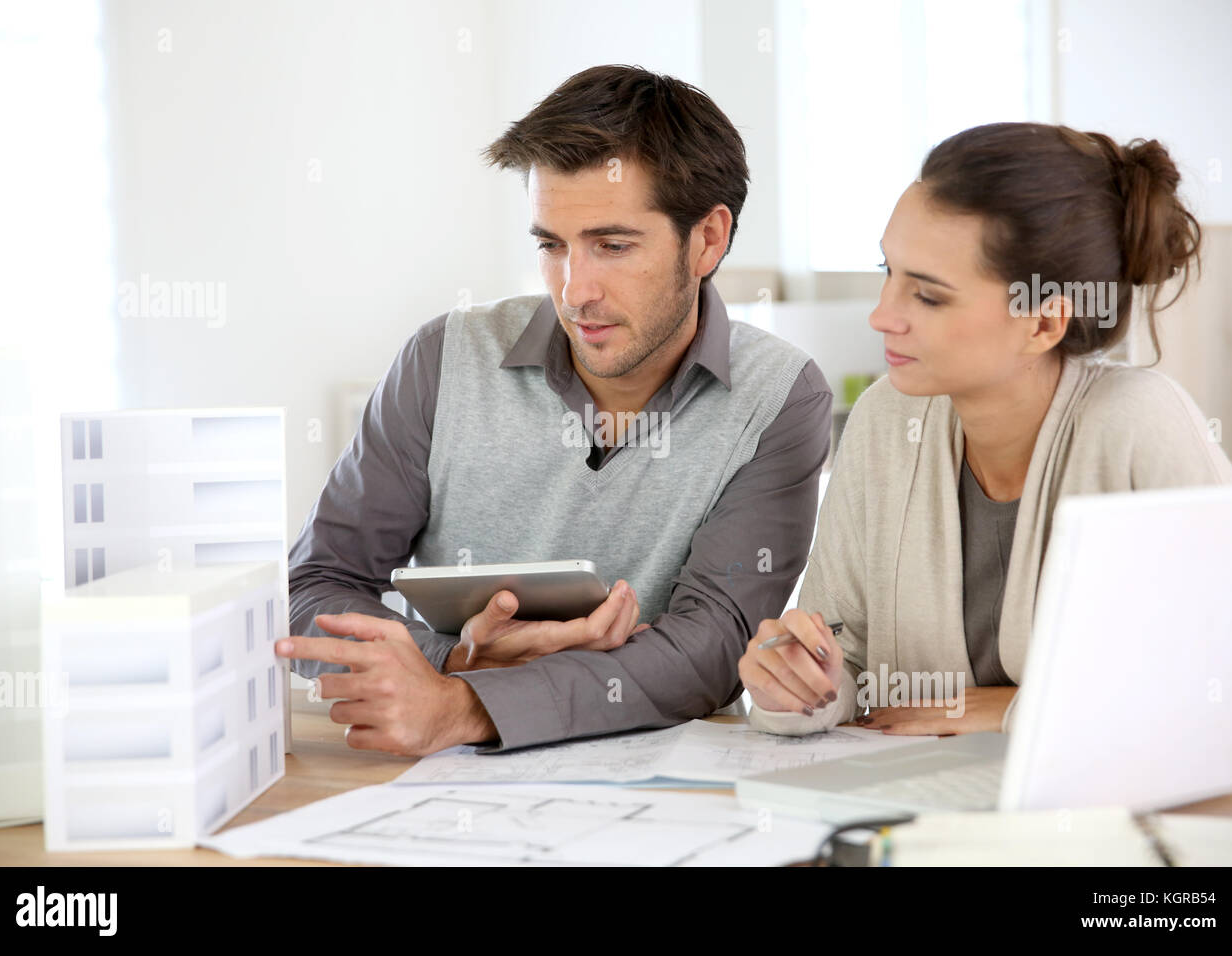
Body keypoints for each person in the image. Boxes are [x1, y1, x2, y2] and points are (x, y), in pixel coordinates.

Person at [278, 65, 833, 755]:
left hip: (661, 796)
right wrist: (450, 662)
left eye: (613, 245)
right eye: (551, 246)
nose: (574, 291)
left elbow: (710, 650)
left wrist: (468, 705)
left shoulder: (780, 397)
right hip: (438, 790)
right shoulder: (443, 358)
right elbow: (317, 583)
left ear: (708, 240)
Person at [739, 122, 1232, 737]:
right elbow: (848, 666)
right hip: (915, 803)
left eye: (926, 296)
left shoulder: (1140, 424)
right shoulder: (883, 421)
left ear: (1042, 322)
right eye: (886, 271)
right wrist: (794, 684)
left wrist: (1014, 709)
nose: (881, 314)